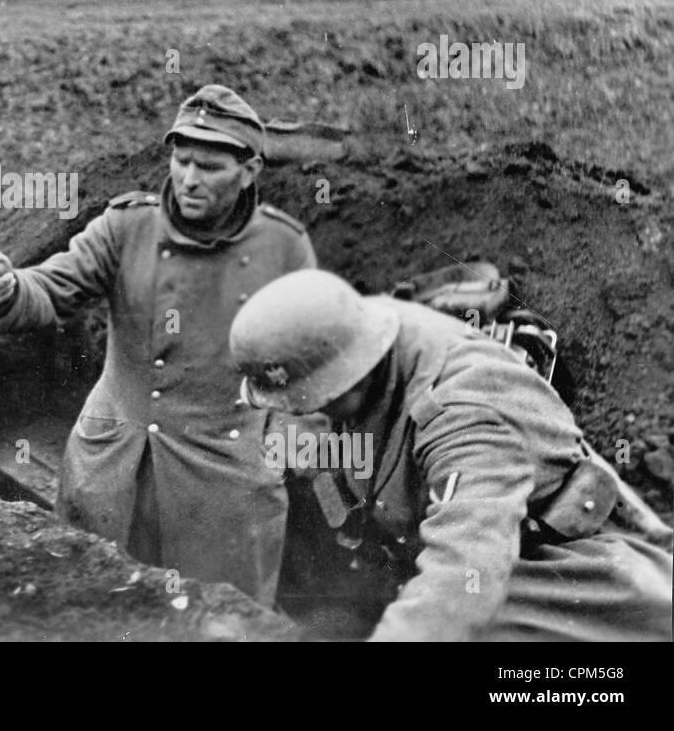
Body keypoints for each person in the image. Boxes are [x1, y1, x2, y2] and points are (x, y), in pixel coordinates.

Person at [0, 85, 317, 603]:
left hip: (221, 481)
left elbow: (313, 362)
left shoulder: (283, 248)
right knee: (96, 609)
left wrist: (291, 436)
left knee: (218, 620)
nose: (189, 179)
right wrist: (9, 289)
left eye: (210, 167)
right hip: (111, 466)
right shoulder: (126, 226)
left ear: (250, 171)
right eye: (182, 161)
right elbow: (53, 286)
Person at [230, 269, 674, 641]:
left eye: (316, 397)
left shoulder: (466, 412)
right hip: (436, 535)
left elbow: (465, 569)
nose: (306, 410)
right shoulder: (362, 326)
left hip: (565, 565)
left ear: (355, 370)